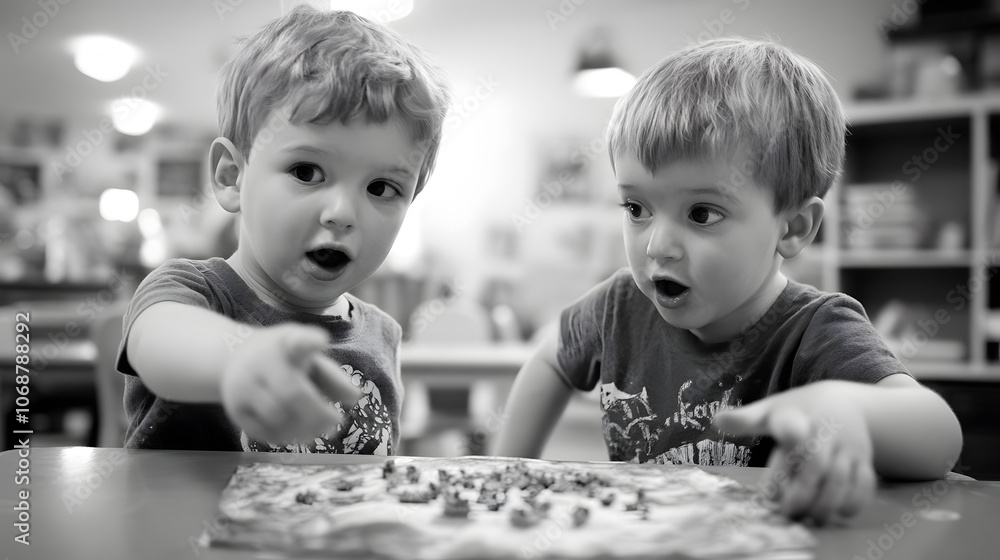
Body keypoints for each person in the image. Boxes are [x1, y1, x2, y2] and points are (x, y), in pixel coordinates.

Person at [493, 38, 962, 525]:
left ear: (793, 228)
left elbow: (940, 435)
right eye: (636, 209)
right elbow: (551, 359)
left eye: (701, 214)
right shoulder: (618, 306)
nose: (657, 246)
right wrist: (505, 471)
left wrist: (848, 407)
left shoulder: (816, 330)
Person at [116, 6, 451, 453]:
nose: (342, 212)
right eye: (307, 172)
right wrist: (236, 358)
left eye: (382, 187)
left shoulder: (384, 334)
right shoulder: (192, 293)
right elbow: (156, 342)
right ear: (233, 177)